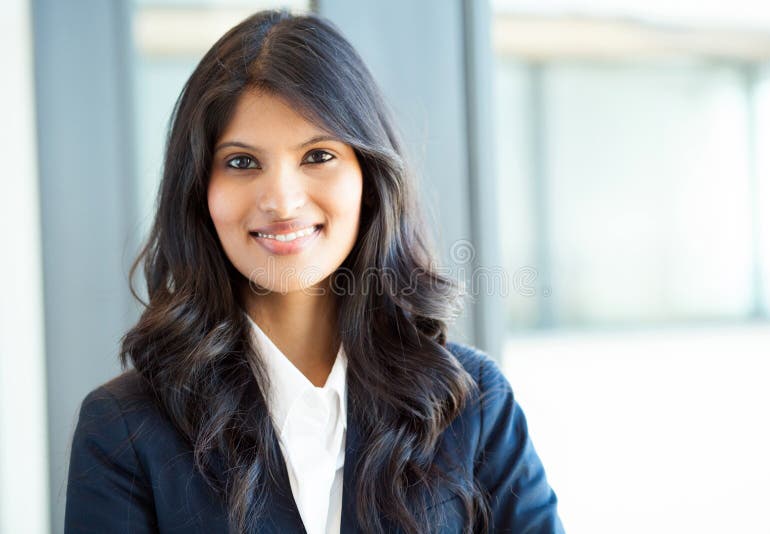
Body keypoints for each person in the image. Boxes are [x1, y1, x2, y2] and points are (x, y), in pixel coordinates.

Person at [64, 9, 564, 534]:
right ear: (198, 190)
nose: (281, 200)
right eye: (241, 162)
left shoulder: (472, 403)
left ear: (368, 177)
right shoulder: (124, 429)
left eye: (318, 155)